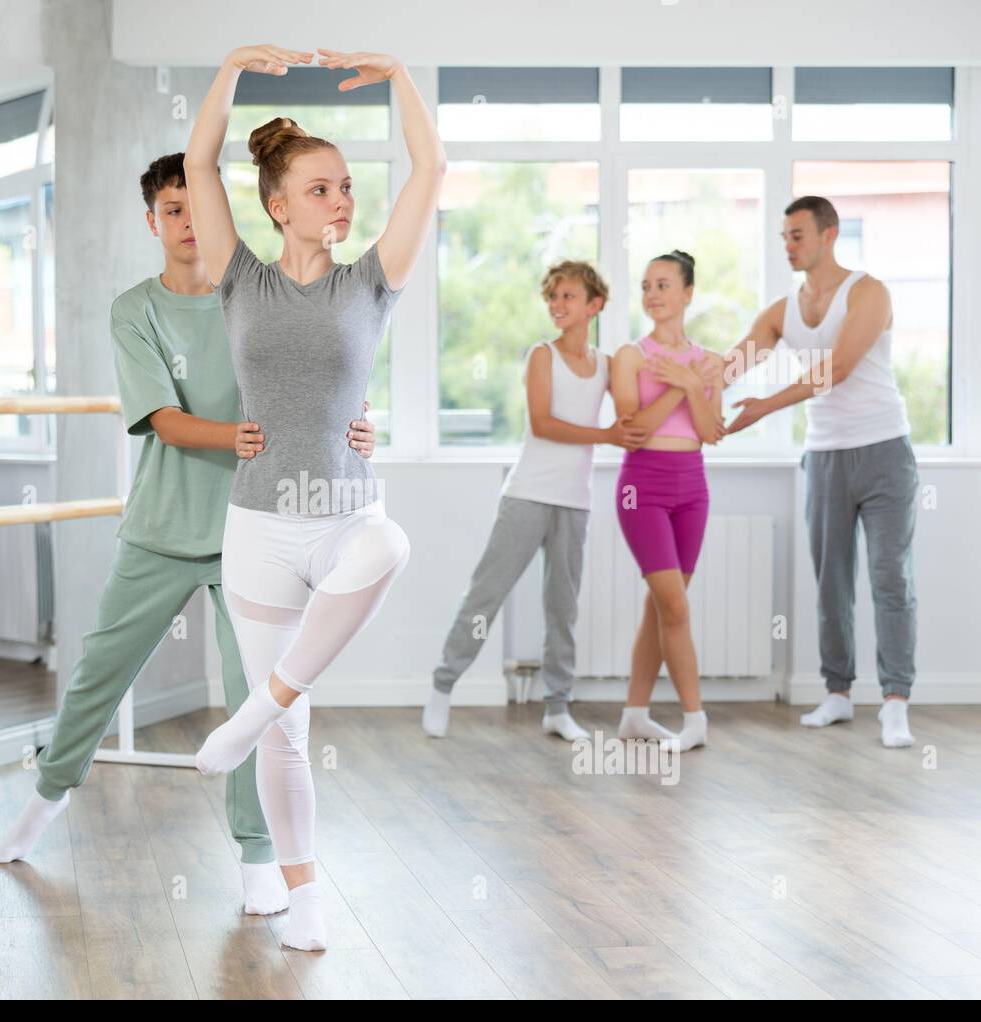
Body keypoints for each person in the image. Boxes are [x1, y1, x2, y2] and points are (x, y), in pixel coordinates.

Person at [0, 151, 378, 920]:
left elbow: (328, 377)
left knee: (255, 699)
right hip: (162, 531)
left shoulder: (260, 293)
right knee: (99, 674)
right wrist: (239, 434)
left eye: (199, 206)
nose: (189, 222)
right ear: (153, 222)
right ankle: (43, 801)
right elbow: (163, 419)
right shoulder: (135, 309)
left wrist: (359, 425)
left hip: (254, 532)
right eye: (173, 210)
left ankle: (259, 855)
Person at [186, 45, 443, 950]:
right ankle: (305, 901)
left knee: (391, 546)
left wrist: (399, 77)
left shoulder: (370, 281)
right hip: (259, 525)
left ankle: (256, 706)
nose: (342, 201)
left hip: (345, 516)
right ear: (279, 204)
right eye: (322, 188)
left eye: (347, 188)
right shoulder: (240, 280)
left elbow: (430, 170)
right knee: (287, 737)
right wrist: (230, 70)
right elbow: (198, 165)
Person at [422, 261, 648, 740]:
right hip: (527, 495)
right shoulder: (542, 356)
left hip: (575, 501)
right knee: (486, 594)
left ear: (594, 304)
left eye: (568, 296)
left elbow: (633, 413)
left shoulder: (607, 365)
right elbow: (543, 424)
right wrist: (606, 434)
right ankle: (443, 684)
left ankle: (557, 708)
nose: (557, 305)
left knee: (562, 607)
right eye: (552, 297)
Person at [724, 195, 917, 748]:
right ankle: (837, 692)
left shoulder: (868, 292)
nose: (788, 246)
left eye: (797, 235)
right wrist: (682, 377)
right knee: (831, 580)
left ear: (829, 235)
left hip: (883, 451)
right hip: (825, 455)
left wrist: (765, 405)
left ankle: (895, 702)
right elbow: (732, 365)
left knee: (890, 577)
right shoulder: (782, 310)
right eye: (784, 237)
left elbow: (838, 367)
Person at [610, 251, 724, 752]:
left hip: (692, 486)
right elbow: (633, 430)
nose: (652, 295)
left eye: (663, 285)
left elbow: (710, 432)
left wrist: (693, 382)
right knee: (675, 607)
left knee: (661, 608)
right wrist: (682, 387)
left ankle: (634, 715)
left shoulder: (710, 361)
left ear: (688, 293)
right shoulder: (631, 357)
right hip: (642, 487)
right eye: (646, 286)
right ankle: (695, 719)